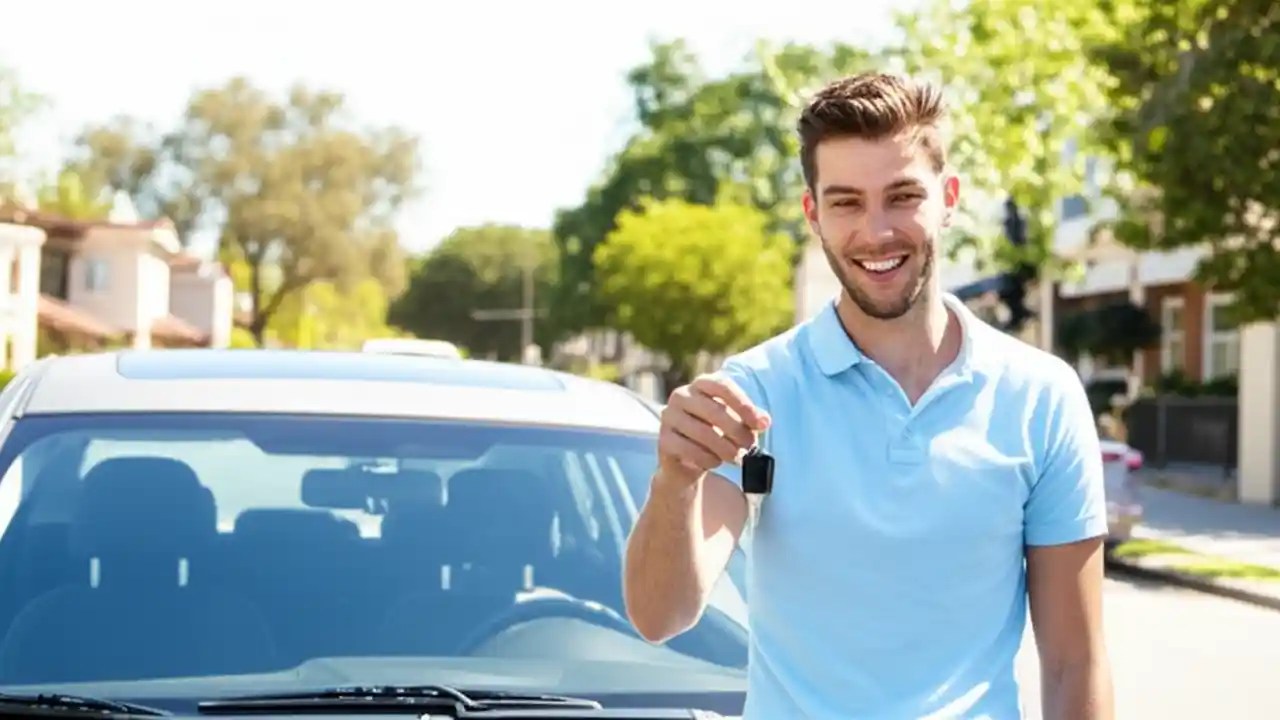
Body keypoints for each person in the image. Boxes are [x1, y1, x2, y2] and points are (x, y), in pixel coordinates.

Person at [622, 72, 1114, 719]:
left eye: (902, 196)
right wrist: (674, 483)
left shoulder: (1040, 397)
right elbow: (662, 616)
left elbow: (1075, 664)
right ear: (813, 214)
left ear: (949, 198)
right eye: (847, 202)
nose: (877, 232)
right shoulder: (755, 389)